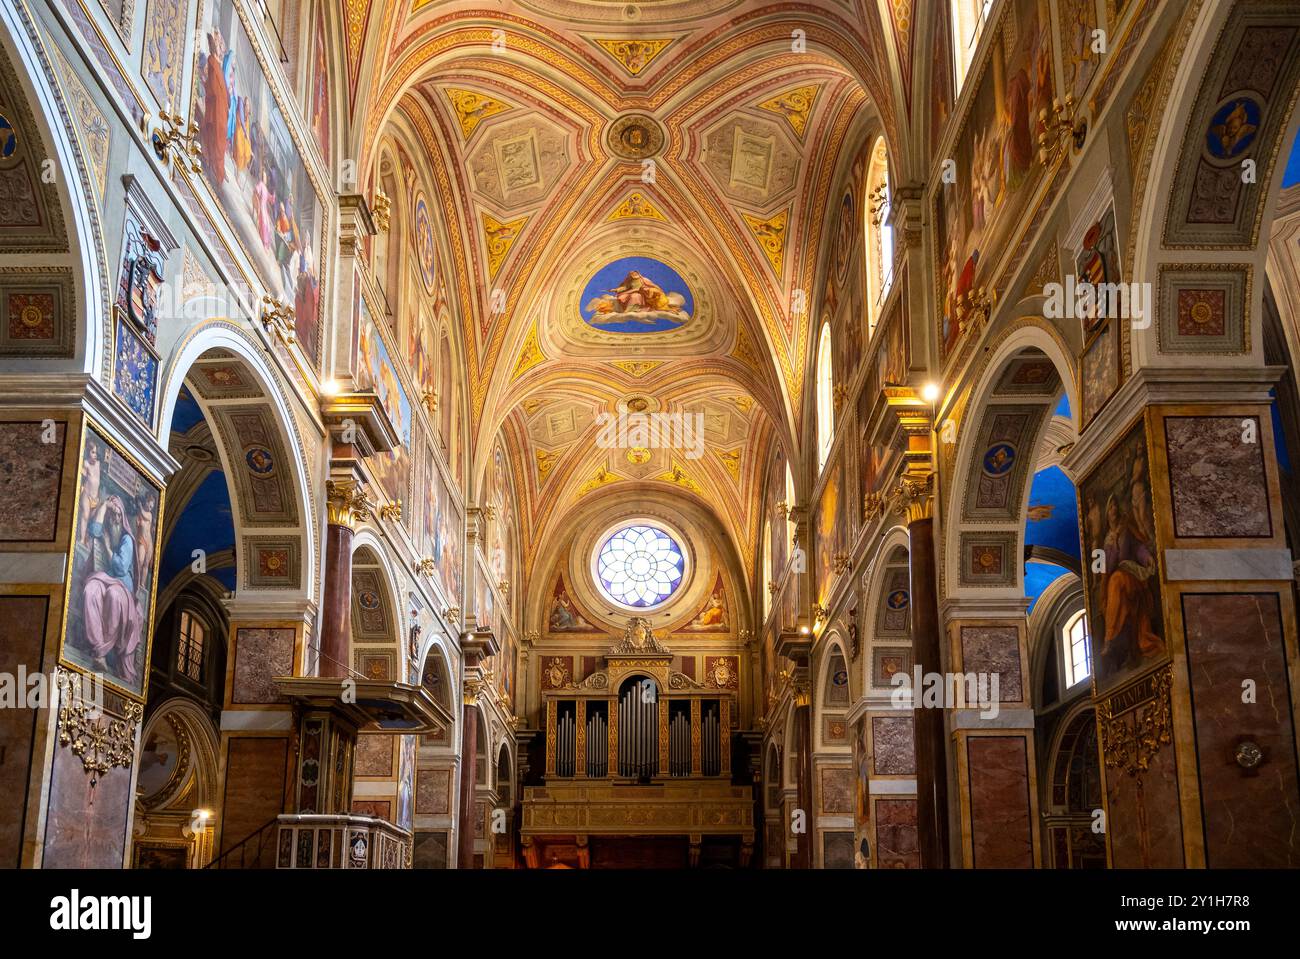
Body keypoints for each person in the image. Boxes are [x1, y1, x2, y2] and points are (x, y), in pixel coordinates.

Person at [81, 495, 144, 684]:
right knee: (91, 589)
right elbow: (93, 530)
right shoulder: (106, 528)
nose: (114, 519)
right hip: (103, 578)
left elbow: (120, 568)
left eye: (118, 515)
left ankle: (101, 652)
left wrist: (108, 548)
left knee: (114, 597)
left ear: (122, 517)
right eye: (112, 514)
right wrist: (103, 507)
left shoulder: (127, 540)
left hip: (121, 585)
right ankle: (98, 648)